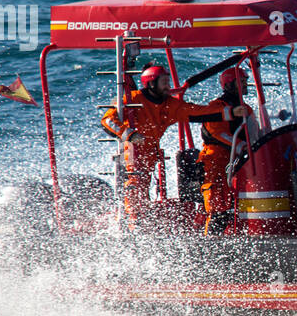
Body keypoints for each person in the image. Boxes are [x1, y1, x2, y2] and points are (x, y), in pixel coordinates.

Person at [100, 63, 223, 222]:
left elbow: (196, 111)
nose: (168, 85)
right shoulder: (133, 98)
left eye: (168, 81)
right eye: (164, 82)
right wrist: (129, 134)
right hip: (131, 154)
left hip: (149, 156)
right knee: (134, 189)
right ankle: (132, 225)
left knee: (142, 191)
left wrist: (229, 112)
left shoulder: (169, 104)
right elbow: (108, 120)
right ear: (151, 83)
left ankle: (139, 221)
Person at [195, 66, 255, 233]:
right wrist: (242, 147)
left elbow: (254, 133)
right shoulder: (217, 107)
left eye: (246, 81)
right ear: (229, 84)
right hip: (214, 163)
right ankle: (210, 243)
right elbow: (219, 133)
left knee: (234, 206)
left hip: (235, 162)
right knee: (218, 210)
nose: (245, 85)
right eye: (241, 82)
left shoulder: (246, 109)